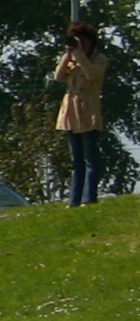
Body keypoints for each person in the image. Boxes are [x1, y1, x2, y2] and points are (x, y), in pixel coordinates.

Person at [54, 21, 109, 207]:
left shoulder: (99, 59)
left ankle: (89, 197)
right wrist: (68, 55)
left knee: (90, 158)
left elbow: (93, 75)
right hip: (71, 109)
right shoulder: (71, 58)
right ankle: (74, 200)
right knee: (76, 160)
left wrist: (79, 56)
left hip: (88, 109)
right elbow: (59, 77)